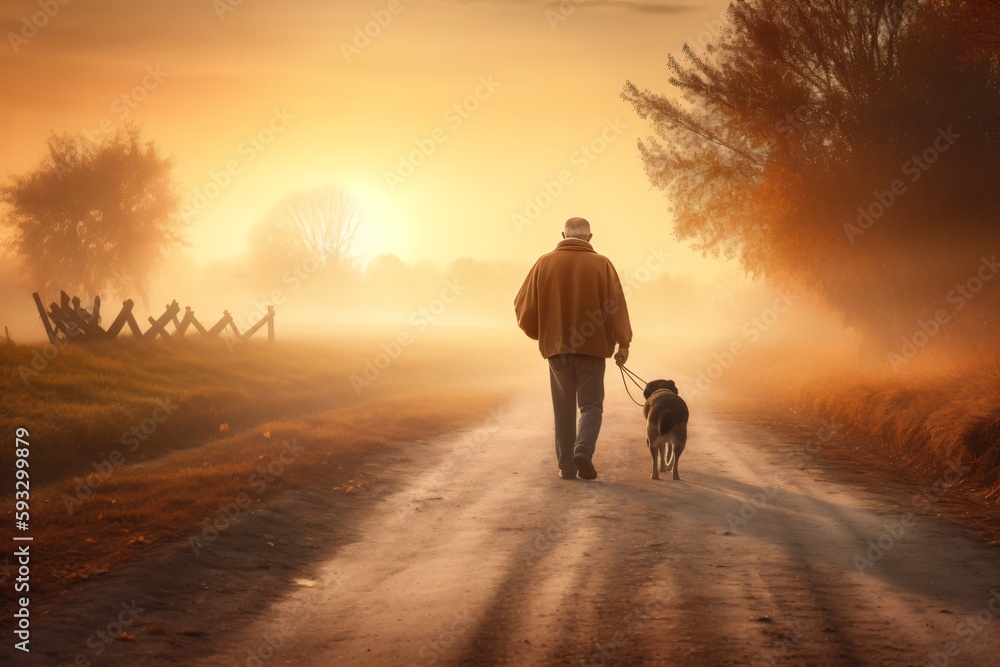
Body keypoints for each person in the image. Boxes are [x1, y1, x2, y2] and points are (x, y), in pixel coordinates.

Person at [514, 217, 633, 480]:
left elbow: (523, 307)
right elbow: (617, 306)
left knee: (563, 409)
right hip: (592, 349)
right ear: (589, 237)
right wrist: (623, 343)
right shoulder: (602, 264)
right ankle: (583, 449)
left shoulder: (543, 263)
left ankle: (566, 467)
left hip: (557, 350)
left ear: (562, 235)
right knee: (591, 406)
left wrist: (543, 334)